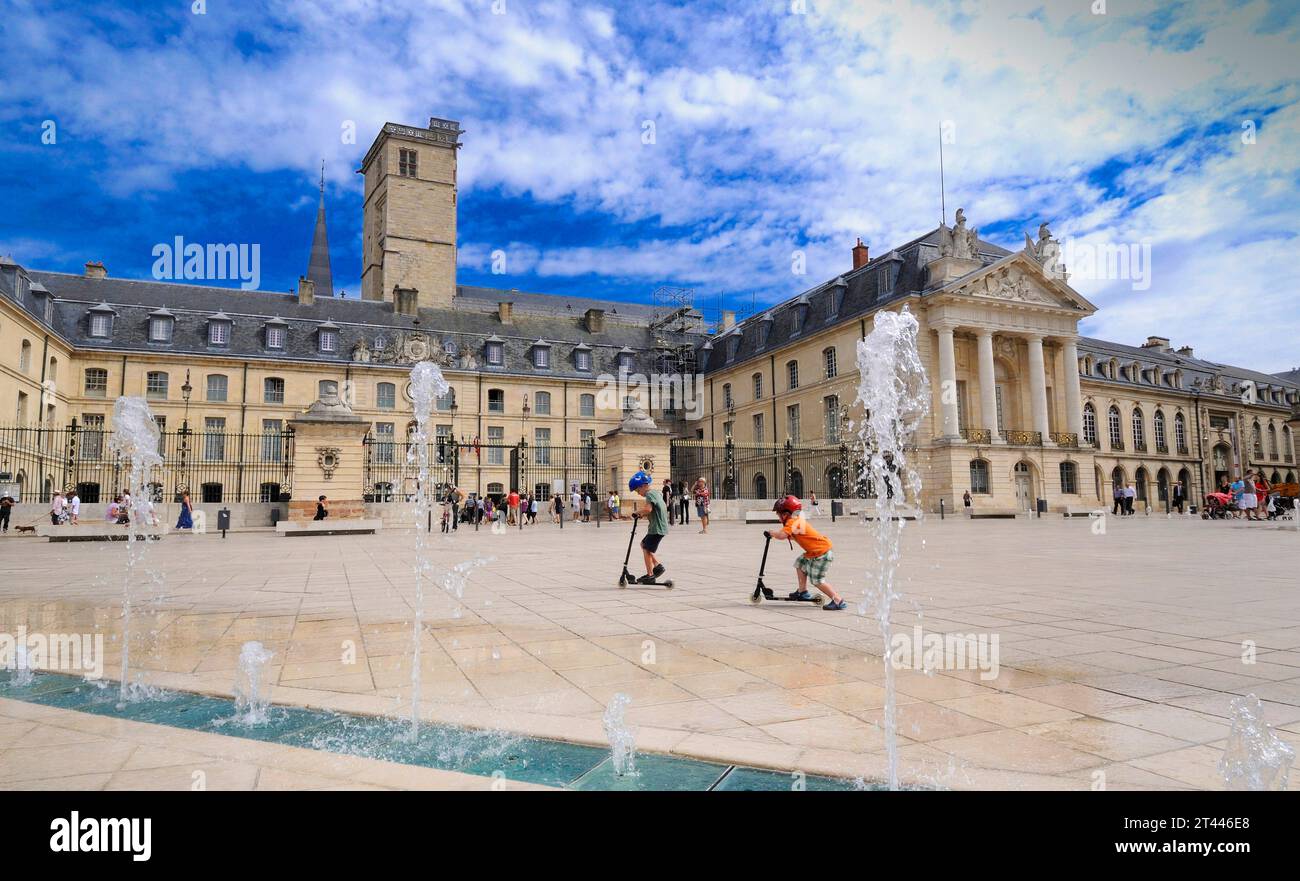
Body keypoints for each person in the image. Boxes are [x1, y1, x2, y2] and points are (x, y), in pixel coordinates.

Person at [765, 495, 846, 610]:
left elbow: (782, 535)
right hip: (815, 552)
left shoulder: (792, 522)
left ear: (786, 514)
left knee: (817, 580)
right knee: (800, 563)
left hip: (821, 552)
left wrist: (772, 533)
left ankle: (838, 600)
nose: (778, 518)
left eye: (779, 514)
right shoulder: (797, 521)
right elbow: (798, 536)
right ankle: (802, 591)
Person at [628, 470, 668, 584]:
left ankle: (650, 575)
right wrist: (641, 514)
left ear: (644, 485)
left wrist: (637, 512)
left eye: (637, 490)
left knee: (646, 548)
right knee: (643, 544)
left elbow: (648, 509)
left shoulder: (650, 494)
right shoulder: (656, 493)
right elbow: (654, 510)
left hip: (657, 528)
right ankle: (657, 565)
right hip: (659, 527)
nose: (638, 493)